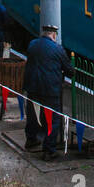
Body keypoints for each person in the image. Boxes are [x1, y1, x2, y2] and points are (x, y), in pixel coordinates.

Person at [23, 24, 72, 159]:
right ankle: (49, 150)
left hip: (33, 86)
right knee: (52, 119)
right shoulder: (58, 49)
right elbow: (69, 69)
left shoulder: (32, 44)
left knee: (33, 115)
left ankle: (31, 139)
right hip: (50, 89)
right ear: (54, 35)